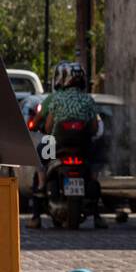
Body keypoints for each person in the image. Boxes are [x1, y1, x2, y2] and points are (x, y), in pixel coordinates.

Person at [29, 61, 106, 229]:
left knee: (39, 159)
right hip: (83, 147)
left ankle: (37, 210)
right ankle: (98, 216)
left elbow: (47, 126)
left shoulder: (54, 99)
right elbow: (94, 127)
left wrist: (37, 125)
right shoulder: (88, 100)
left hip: (57, 146)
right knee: (94, 166)